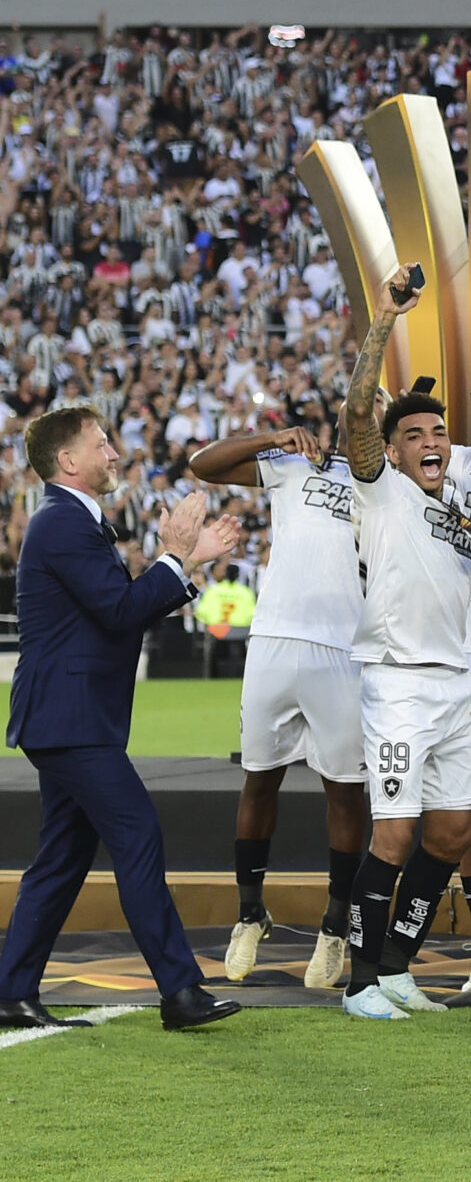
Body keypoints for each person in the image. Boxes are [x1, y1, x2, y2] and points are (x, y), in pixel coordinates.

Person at [0, 408, 244, 1034]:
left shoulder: (70, 521)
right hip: (71, 720)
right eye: (101, 443)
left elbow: (122, 611)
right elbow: (118, 612)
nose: (114, 453)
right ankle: (180, 991)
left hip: (67, 718)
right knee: (136, 834)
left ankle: (12, 991)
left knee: (63, 856)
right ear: (68, 461)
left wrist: (185, 562)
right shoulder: (63, 523)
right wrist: (175, 555)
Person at [332, 276, 471, 1019]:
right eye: (416, 436)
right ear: (391, 453)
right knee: (394, 834)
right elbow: (357, 412)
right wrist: (385, 320)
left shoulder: (451, 509)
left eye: (438, 434)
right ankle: (359, 981)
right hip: (397, 683)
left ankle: (396, 966)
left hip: (456, 681)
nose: (431, 443)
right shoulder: (381, 491)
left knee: (453, 831)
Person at [187, 420, 372, 992]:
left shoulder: (390, 482)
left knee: (345, 789)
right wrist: (273, 439)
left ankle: (336, 925)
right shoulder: (296, 466)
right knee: (259, 778)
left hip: (345, 647)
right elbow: (203, 464)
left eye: (376, 409)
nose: (364, 415)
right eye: (358, 408)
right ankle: (250, 914)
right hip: (273, 639)